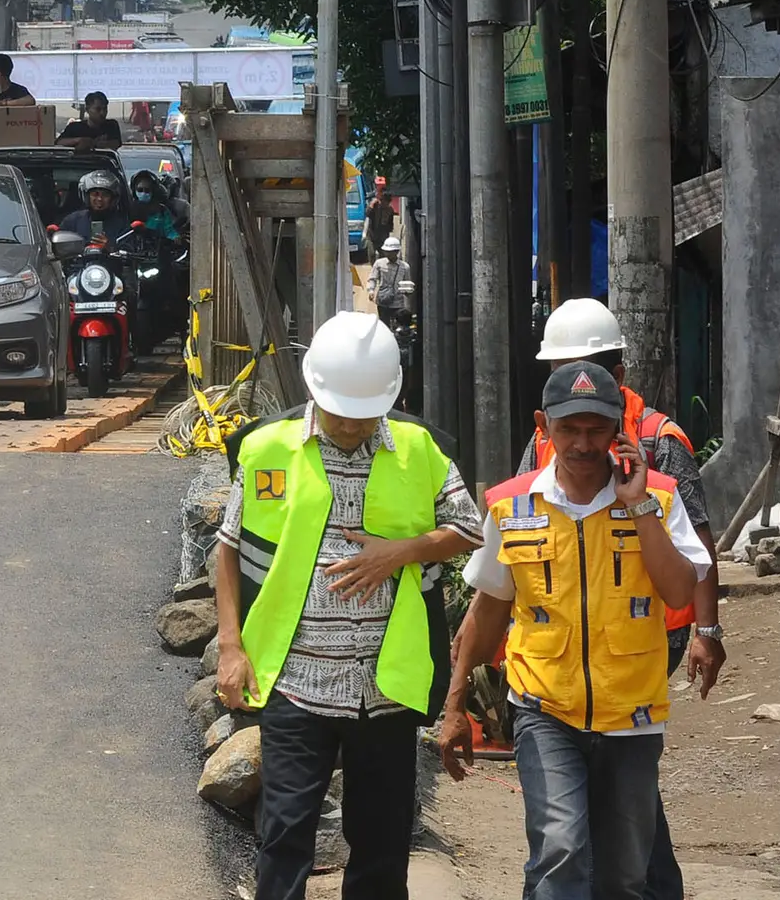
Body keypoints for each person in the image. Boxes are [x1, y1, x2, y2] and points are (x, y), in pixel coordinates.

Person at [211, 313, 484, 900]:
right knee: (284, 838)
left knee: (382, 847)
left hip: (385, 689)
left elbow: (469, 527)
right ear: (314, 391)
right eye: (340, 414)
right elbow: (227, 550)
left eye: (364, 417)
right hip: (296, 683)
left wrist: (401, 552)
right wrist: (231, 647)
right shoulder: (266, 450)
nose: (351, 426)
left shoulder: (419, 450)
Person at [439, 362, 710, 900]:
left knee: (626, 875)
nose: (582, 443)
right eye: (569, 429)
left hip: (633, 716)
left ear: (619, 429)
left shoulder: (659, 496)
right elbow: (489, 609)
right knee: (560, 849)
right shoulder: (511, 505)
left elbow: (680, 592)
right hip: (544, 709)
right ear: (544, 425)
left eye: (596, 429)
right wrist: (453, 707)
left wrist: (638, 509)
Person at [496, 298, 725, 900]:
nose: (581, 438)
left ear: (617, 376)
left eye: (590, 367)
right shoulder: (546, 441)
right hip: (552, 672)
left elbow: (698, 546)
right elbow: (512, 538)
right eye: (562, 373)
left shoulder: (659, 442)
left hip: (643, 644)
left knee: (625, 824)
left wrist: (708, 630)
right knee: (562, 839)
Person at [55, 169, 127, 243]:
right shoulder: (72, 221)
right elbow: (59, 247)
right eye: (95, 194)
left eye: (105, 195)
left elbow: (129, 250)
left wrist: (110, 248)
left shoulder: (122, 225)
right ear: (87, 196)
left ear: (113, 198)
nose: (99, 199)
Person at [57, 90, 124, 149]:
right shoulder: (75, 127)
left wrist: (96, 144)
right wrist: (79, 140)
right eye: (98, 109)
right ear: (87, 110)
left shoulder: (111, 125)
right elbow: (59, 142)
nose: (102, 113)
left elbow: (116, 143)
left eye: (105, 109)